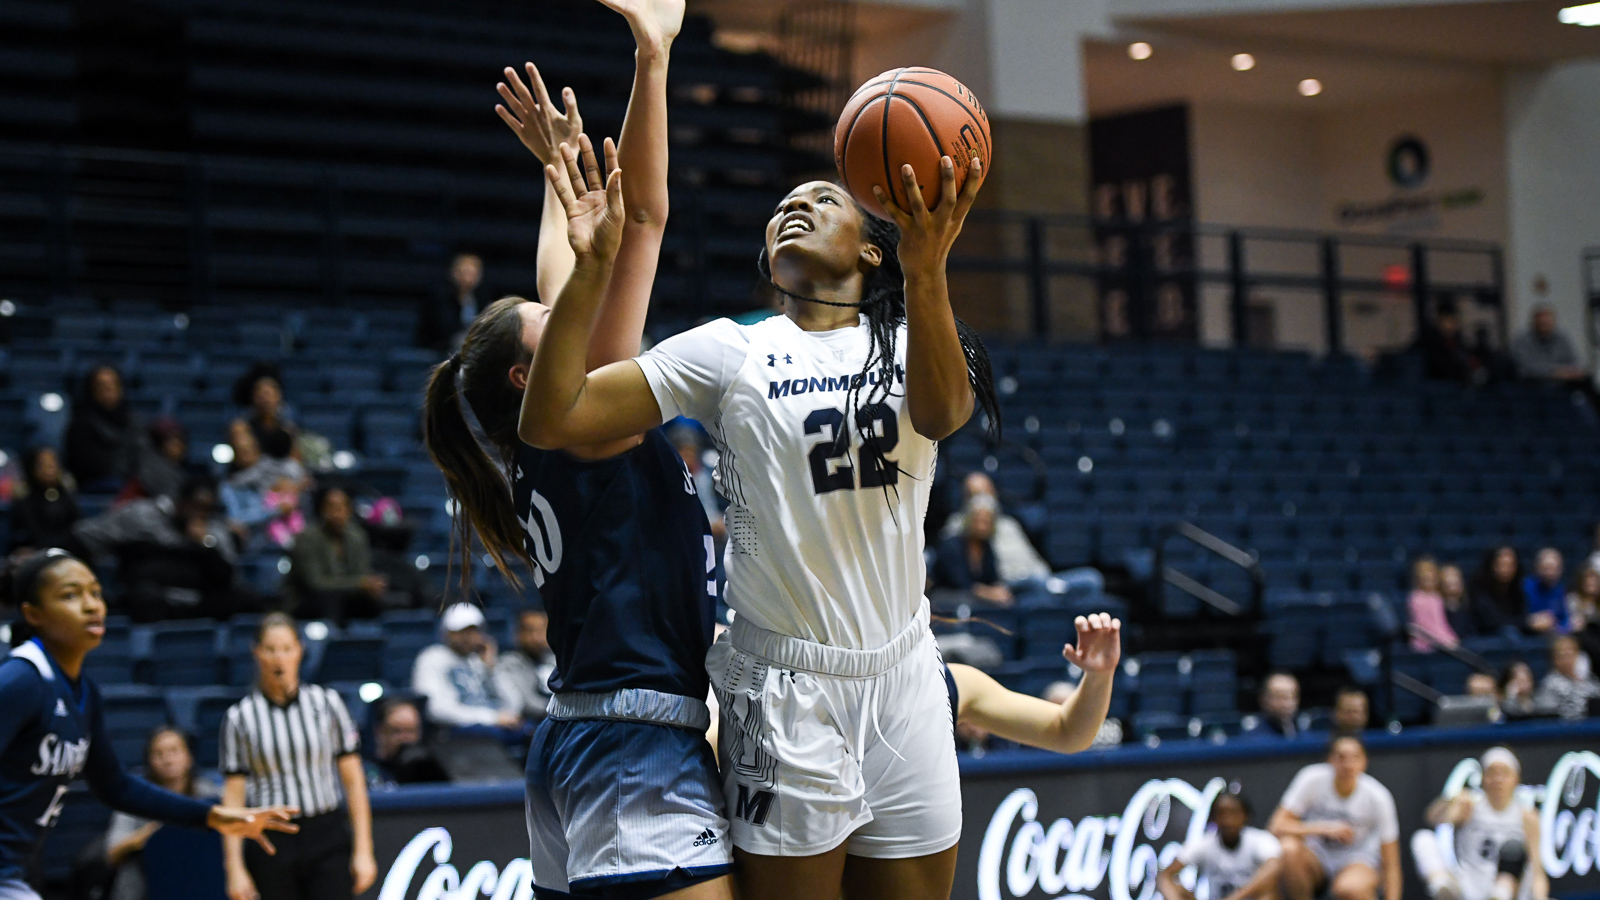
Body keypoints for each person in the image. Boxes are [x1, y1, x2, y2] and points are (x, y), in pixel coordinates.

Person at [520, 55, 996, 899]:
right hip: (786, 688)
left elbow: (945, 414)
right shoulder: (731, 349)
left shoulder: (917, 335)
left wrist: (931, 271)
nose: (792, 208)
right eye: (780, 206)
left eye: (820, 198)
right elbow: (556, 419)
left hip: (903, 678)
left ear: (873, 253)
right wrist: (588, 270)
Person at [425, 3, 734, 895]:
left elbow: (588, 241)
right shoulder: (586, 421)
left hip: (582, 735)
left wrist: (561, 171)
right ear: (531, 373)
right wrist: (653, 59)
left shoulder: (549, 427)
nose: (570, 312)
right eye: (554, 321)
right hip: (629, 744)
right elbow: (641, 223)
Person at [0, 549, 296, 900]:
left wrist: (213, 816)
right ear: (33, 614)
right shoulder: (19, 682)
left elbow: (117, 788)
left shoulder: (83, 692)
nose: (92, 605)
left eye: (95, 592)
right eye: (70, 595)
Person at [220, 614, 374, 900]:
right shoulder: (239, 718)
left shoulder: (328, 704)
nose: (279, 658)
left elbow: (353, 781)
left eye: (287, 648)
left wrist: (364, 850)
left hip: (326, 831)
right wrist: (234, 868)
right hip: (270, 839)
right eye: (270, 649)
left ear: (300, 650)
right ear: (256, 652)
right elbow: (234, 796)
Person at [71, 476, 242, 622]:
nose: (199, 514)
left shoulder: (214, 531)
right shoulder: (143, 516)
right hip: (152, 599)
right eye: (194, 505)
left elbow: (228, 577)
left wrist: (205, 543)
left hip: (198, 599)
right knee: (143, 598)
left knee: (244, 600)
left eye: (206, 509)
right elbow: (86, 535)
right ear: (181, 502)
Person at [1270, 736, 1402, 900]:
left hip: (1358, 858)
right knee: (1288, 849)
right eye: (1341, 757)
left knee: (1349, 888)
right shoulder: (1311, 778)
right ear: (1330, 760)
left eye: (1354, 758)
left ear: (1364, 762)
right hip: (1317, 855)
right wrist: (1324, 828)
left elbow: (1391, 863)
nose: (1347, 765)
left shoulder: (1379, 797)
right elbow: (1276, 826)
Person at [1411, 747, 1546, 900]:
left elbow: (1537, 870)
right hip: (1468, 890)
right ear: (1482, 778)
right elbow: (1432, 819)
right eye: (1492, 773)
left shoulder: (1527, 817)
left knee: (1513, 849)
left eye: (1504, 773)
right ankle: (1441, 887)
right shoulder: (1470, 807)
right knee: (1423, 838)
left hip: (1508, 891)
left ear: (1516, 779)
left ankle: (1499, 895)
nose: (1498, 780)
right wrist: (1452, 800)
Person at [104, 728, 220, 900]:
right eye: (159, 754)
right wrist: (151, 835)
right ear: (149, 761)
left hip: (199, 880)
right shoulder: (134, 798)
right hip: (147, 883)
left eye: (174, 751)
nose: (167, 760)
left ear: (189, 757)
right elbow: (112, 853)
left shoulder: (207, 794)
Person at [409, 603, 523, 739]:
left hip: (491, 727)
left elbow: (515, 705)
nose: (468, 637)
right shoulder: (432, 658)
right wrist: (492, 718)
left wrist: (492, 668)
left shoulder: (479, 660)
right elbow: (436, 710)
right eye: (461, 631)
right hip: (456, 733)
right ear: (446, 633)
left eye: (473, 631)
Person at [286, 488, 387, 623]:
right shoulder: (306, 538)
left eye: (342, 508)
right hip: (309, 600)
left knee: (375, 600)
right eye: (331, 507)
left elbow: (362, 574)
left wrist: (369, 585)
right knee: (331, 601)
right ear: (322, 510)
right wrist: (359, 584)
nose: (337, 513)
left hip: (348, 598)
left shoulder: (357, 536)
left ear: (349, 511)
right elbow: (315, 583)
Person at [1158, 791, 1283, 900]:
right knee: (1178, 888)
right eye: (1222, 814)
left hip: (1248, 897)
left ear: (1245, 816)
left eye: (1234, 813)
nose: (1227, 820)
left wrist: (1236, 897)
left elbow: (1274, 866)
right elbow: (1165, 875)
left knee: (1268, 893)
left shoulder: (1259, 840)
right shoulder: (1204, 843)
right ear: (1213, 818)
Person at [938, 472, 1050, 584]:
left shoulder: (1009, 525)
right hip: (1002, 587)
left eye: (985, 494)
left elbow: (1035, 564)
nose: (982, 501)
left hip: (1032, 580)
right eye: (975, 495)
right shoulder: (957, 529)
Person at [63, 365, 143, 491]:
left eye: (113, 384)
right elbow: (84, 463)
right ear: (91, 389)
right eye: (101, 385)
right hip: (96, 486)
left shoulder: (134, 420)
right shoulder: (80, 423)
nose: (109, 389)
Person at [932, 495, 1013, 606]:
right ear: (969, 520)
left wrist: (999, 590)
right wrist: (988, 593)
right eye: (978, 520)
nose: (982, 526)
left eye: (987, 521)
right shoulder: (951, 546)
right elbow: (960, 583)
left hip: (976, 598)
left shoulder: (987, 547)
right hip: (948, 598)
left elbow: (993, 577)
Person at [363, 699, 447, 790]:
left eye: (411, 731)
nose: (405, 739)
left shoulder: (429, 770)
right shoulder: (366, 771)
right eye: (397, 731)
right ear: (380, 732)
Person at [10, 448, 80, 552]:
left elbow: (77, 525)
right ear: (33, 469)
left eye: (52, 465)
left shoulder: (66, 494)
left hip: (68, 550)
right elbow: (35, 535)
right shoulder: (25, 498)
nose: (49, 471)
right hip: (38, 551)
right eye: (43, 465)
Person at [495, 608, 556, 722]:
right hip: (532, 723)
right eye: (530, 630)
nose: (537, 637)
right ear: (518, 634)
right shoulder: (509, 663)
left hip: (558, 719)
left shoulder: (555, 661)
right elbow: (526, 704)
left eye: (542, 630)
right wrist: (562, 709)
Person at [416, 253, 484, 353]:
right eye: (465, 273)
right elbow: (443, 329)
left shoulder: (481, 296)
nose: (468, 278)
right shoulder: (440, 295)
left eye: (473, 274)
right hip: (440, 348)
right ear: (454, 273)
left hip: (472, 347)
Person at [232, 364, 298, 460]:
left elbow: (295, 461)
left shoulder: (288, 428)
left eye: (270, 394)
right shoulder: (241, 427)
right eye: (262, 395)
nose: (266, 400)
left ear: (279, 397)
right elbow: (245, 459)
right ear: (253, 397)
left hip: (281, 473)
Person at [1510, 305, 1586, 386]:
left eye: (1547, 322)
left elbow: (1574, 359)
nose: (1545, 325)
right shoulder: (1524, 340)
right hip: (1534, 385)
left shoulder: (1562, 338)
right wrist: (1554, 372)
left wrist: (1571, 371)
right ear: (1535, 323)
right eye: (1542, 322)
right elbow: (1525, 368)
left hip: (1564, 383)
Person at [122, 418, 192, 502]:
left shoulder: (177, 469)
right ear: (160, 444)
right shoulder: (151, 468)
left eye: (181, 442)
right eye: (172, 443)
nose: (178, 448)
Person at [1534, 634, 1600, 720]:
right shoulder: (1549, 684)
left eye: (1571, 653)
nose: (1568, 659)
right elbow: (1546, 715)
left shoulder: (1591, 680)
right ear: (1555, 659)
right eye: (1563, 655)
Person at [1469, 547, 1525, 634]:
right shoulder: (1479, 589)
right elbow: (1490, 621)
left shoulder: (1519, 588)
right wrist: (1526, 623)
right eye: (1501, 564)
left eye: (1510, 565)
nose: (1506, 569)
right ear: (1492, 565)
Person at [1409, 557, 1458, 652]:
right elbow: (1424, 626)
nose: (1429, 579)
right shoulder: (1416, 598)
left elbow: (1441, 623)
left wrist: (1451, 636)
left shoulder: (1436, 597)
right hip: (1423, 644)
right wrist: (1446, 640)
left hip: (1440, 641)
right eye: (1425, 577)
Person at [1522, 548, 1569, 635]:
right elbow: (1518, 617)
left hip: (1553, 635)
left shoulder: (1559, 589)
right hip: (1529, 635)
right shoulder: (1525, 587)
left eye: (1555, 568)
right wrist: (1531, 620)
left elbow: (1564, 619)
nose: (1550, 573)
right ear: (1537, 568)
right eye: (1546, 568)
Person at [1439, 565, 1483, 641]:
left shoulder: (1469, 605)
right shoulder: (1438, 606)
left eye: (1456, 583)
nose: (1452, 587)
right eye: (1449, 583)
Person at [1252, 672, 1301, 738]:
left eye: (1292, 696)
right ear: (1263, 700)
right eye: (1280, 697)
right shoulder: (1253, 740)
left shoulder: (1305, 734)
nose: (1287, 703)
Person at [1570, 565, 1600, 663]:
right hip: (1583, 642)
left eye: (1594, 581)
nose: (1591, 583)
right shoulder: (1574, 600)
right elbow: (1575, 626)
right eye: (1588, 581)